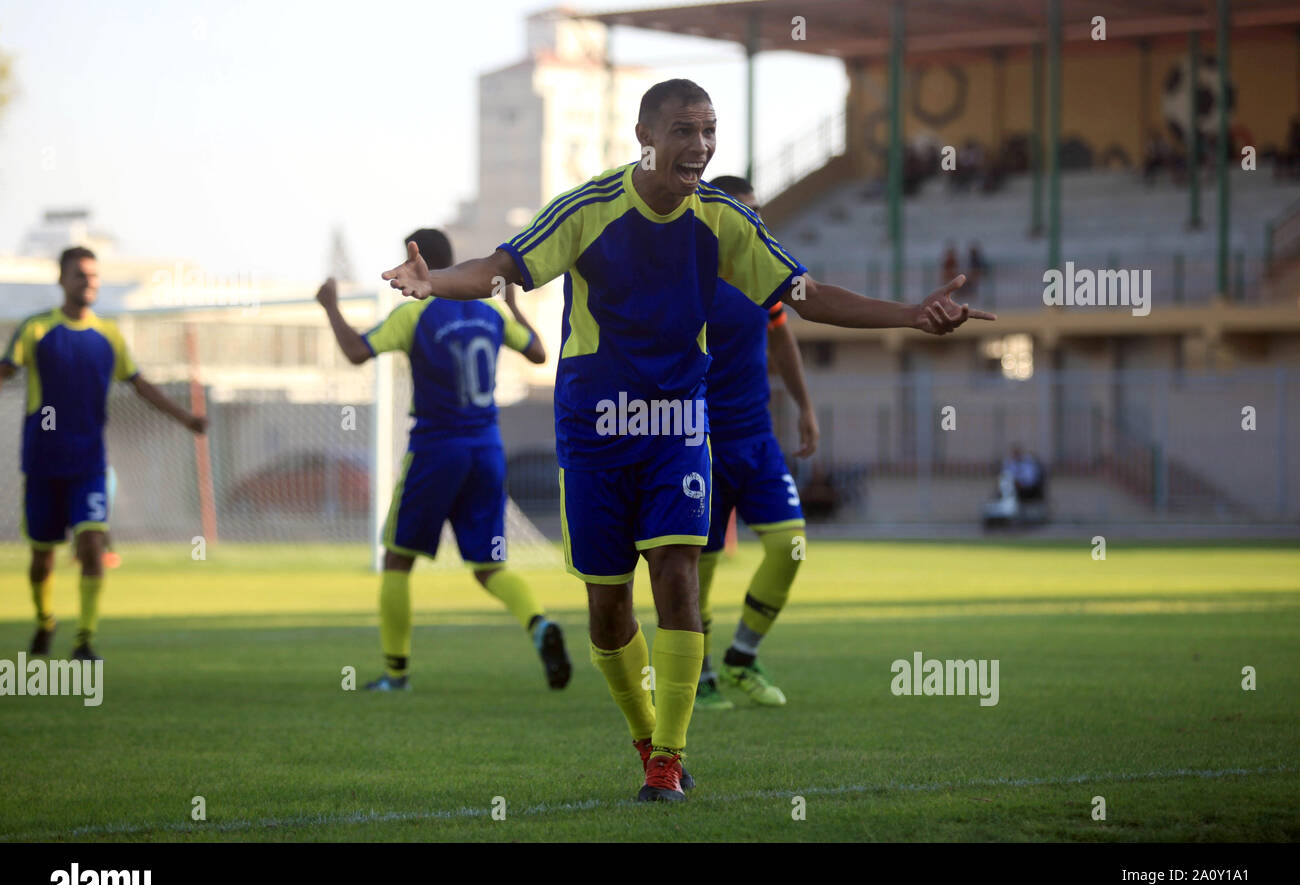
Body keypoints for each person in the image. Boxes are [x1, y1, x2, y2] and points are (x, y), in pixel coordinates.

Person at [382, 79, 994, 802]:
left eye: (708, 130)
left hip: (679, 426)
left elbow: (805, 294)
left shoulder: (723, 220)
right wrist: (434, 283)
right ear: (645, 133)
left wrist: (910, 315)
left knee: (676, 574)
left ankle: (668, 761)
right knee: (608, 608)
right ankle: (646, 739)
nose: (699, 145)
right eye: (682, 130)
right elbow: (502, 268)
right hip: (597, 429)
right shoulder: (590, 207)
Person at [317, 228, 568, 692]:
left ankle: (396, 674)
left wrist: (330, 306)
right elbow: (537, 353)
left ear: (418, 264)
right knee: (491, 567)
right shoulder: (490, 316)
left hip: (436, 450)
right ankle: (538, 624)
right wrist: (512, 304)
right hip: (487, 451)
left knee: (396, 561)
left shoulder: (417, 315)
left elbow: (356, 352)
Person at [0, 246, 207, 660]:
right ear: (62, 280)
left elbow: (140, 383)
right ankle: (45, 623)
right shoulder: (37, 330)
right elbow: (6, 371)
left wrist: (185, 417)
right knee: (42, 557)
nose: (88, 282)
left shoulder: (108, 334)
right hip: (42, 462)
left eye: (93, 275)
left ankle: (84, 639)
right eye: (79, 274)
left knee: (93, 542)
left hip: (89, 462)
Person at [691, 175, 817, 712]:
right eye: (746, 213)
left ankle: (742, 657)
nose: (757, 221)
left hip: (757, 439)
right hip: (698, 445)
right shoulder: (686, 280)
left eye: (759, 211)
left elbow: (781, 335)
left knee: (789, 545)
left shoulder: (760, 277)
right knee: (699, 567)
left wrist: (805, 406)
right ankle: (699, 675)